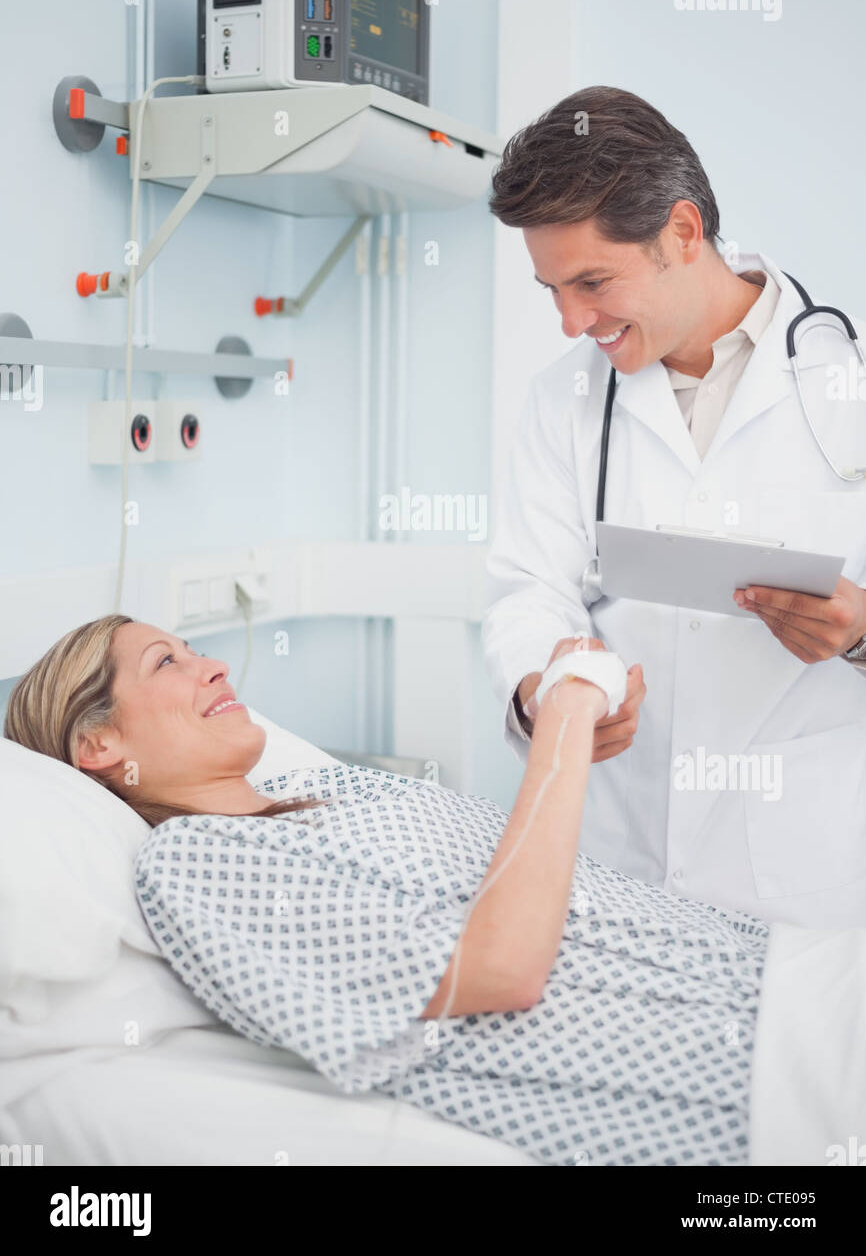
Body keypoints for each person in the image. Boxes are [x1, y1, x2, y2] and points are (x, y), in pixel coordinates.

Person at [5, 614, 772, 1167]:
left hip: (767, 968)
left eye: (192, 649)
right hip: (745, 1076)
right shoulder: (193, 863)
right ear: (98, 744)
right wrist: (564, 723)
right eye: (165, 664)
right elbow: (501, 968)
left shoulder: (317, 786)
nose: (213, 666)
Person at [483, 85, 866, 930]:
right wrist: (541, 691)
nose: (571, 321)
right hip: (615, 863)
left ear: (682, 234)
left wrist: (862, 635)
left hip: (807, 885)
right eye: (552, 289)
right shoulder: (562, 403)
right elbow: (527, 589)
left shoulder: (851, 385)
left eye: (591, 281)